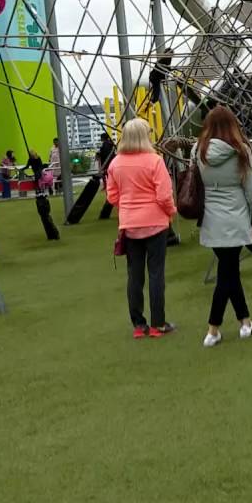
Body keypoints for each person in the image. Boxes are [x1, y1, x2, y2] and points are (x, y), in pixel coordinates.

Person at [195, 106, 252, 348]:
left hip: (212, 219)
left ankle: (246, 322)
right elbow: (251, 190)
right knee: (227, 275)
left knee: (229, 272)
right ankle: (213, 329)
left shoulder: (199, 151)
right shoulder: (241, 151)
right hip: (236, 218)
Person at [105, 118, 177, 339]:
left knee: (134, 276)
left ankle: (139, 324)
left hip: (130, 225)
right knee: (156, 273)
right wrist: (171, 211)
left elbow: (112, 196)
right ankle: (158, 324)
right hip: (155, 222)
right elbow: (164, 195)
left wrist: (127, 207)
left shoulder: (115, 164)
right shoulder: (154, 161)